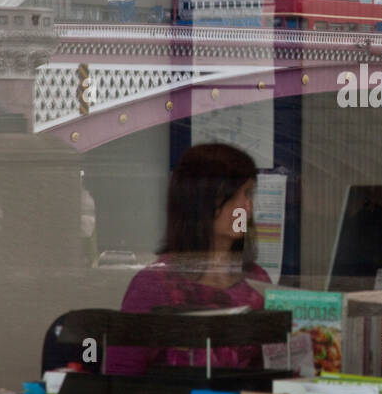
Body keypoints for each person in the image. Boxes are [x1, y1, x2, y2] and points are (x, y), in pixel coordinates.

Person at [103, 143, 270, 375]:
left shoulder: (256, 281)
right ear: (201, 201)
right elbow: (119, 379)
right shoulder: (154, 285)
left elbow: (276, 369)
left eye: (249, 194)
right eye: (234, 195)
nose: (247, 207)